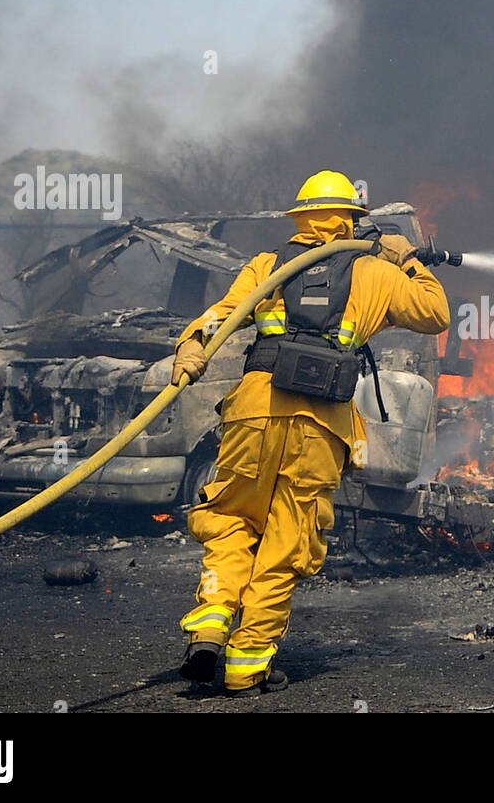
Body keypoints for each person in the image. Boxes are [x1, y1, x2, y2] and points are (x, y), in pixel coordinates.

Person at [171, 169, 450, 695]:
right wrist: (406, 258)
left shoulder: (267, 266)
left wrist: (191, 347)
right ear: (352, 219)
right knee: (286, 538)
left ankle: (210, 624)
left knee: (231, 518)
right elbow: (436, 314)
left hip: (254, 412)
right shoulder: (375, 272)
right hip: (321, 426)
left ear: (300, 219)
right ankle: (247, 664)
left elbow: (222, 317)